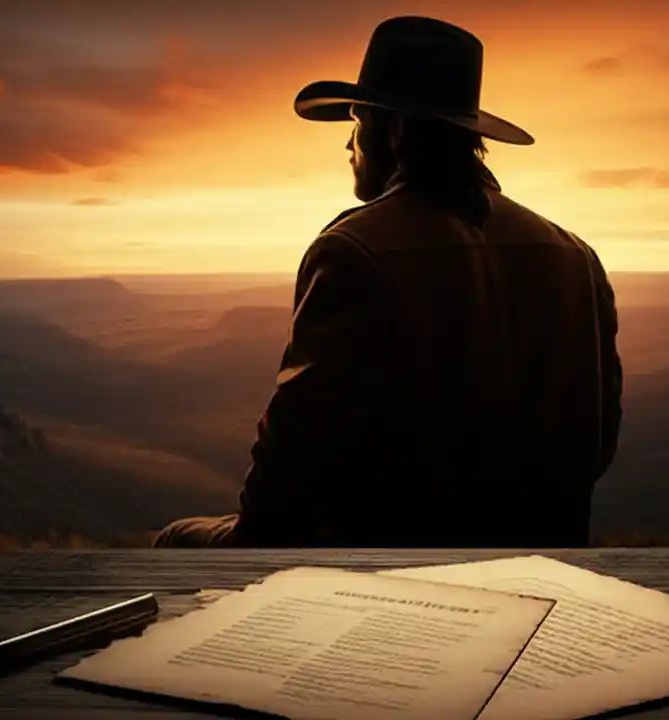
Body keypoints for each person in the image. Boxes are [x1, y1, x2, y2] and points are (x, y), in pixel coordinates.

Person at [153, 15, 621, 548]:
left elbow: (294, 464)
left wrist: (245, 538)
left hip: (386, 581)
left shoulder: (353, 250)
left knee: (175, 540)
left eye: (357, 120)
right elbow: (598, 442)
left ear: (394, 130)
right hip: (546, 562)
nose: (348, 145)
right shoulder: (576, 256)